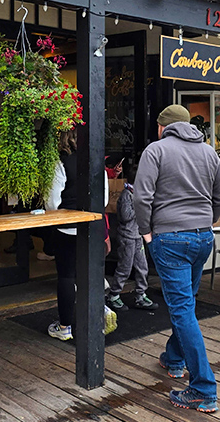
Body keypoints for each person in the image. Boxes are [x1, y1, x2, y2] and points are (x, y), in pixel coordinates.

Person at [135, 104, 220, 413]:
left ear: (164, 127)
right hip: (202, 237)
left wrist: (147, 233)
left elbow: (141, 196)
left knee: (182, 310)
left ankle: (202, 388)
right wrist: (206, 221)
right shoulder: (209, 152)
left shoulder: (156, 150)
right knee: (186, 302)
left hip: (170, 238)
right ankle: (173, 359)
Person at [45, 129, 116, 341]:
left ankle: (65, 326)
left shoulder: (60, 162)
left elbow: (52, 203)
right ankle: (99, 315)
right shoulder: (96, 164)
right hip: (91, 227)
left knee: (67, 276)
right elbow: (103, 200)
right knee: (89, 273)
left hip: (66, 227)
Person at [106, 162, 158, 312]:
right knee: (125, 267)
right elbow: (126, 216)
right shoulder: (126, 195)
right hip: (127, 236)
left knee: (143, 267)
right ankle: (114, 294)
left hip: (138, 236)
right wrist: (139, 206)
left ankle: (141, 294)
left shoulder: (138, 195)